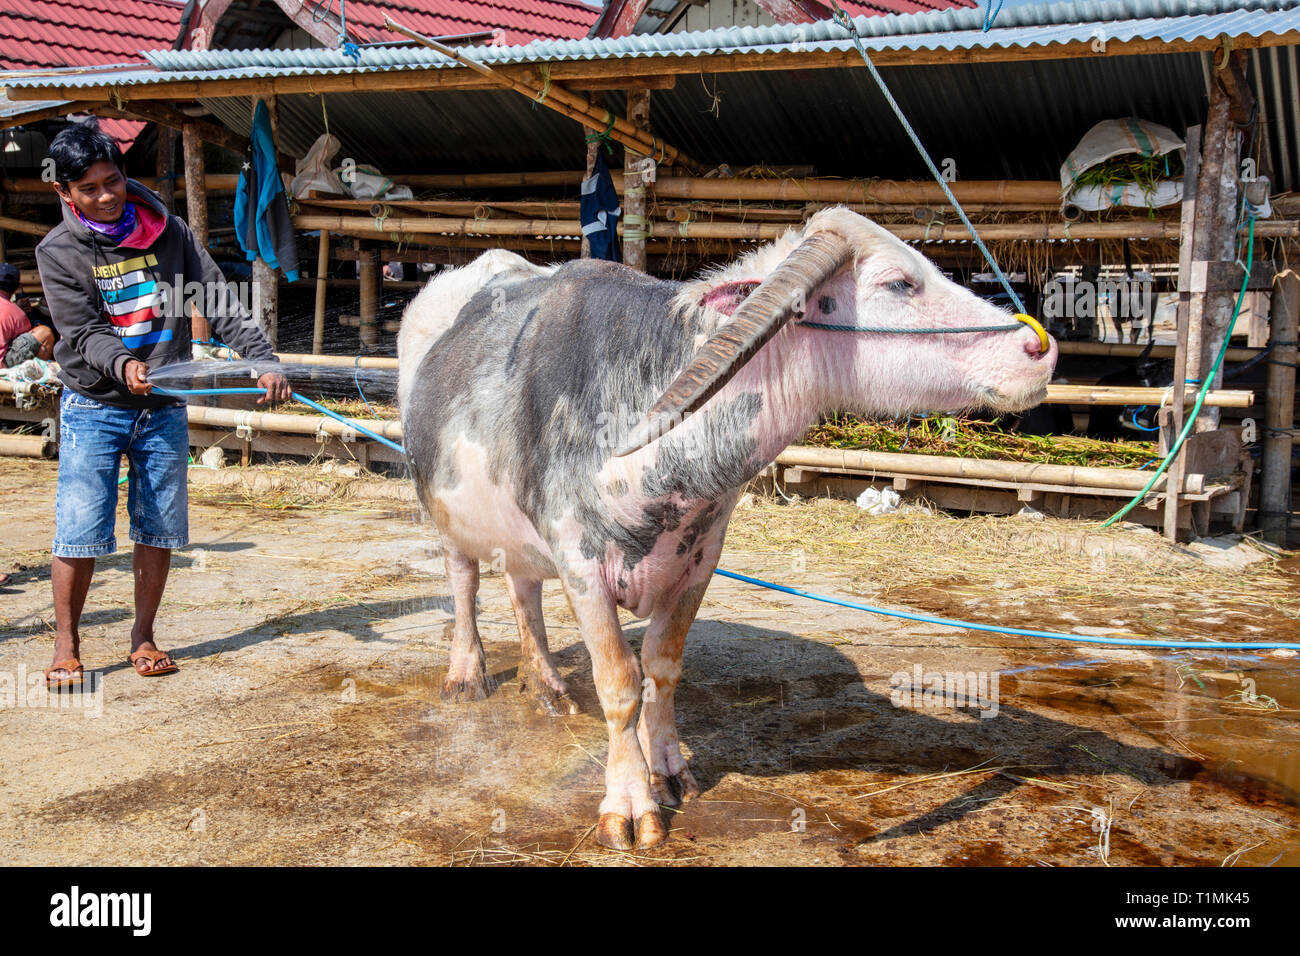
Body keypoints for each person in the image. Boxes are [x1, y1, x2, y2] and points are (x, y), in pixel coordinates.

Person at [36, 121, 290, 688]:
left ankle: (143, 634)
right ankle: (66, 643)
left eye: (113, 180)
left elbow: (216, 297)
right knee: (80, 529)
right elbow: (81, 331)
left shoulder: (168, 230)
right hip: (94, 405)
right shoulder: (58, 252)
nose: (106, 196)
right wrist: (125, 365)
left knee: (159, 526)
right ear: (65, 192)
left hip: (163, 404)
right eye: (90, 188)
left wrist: (263, 358)